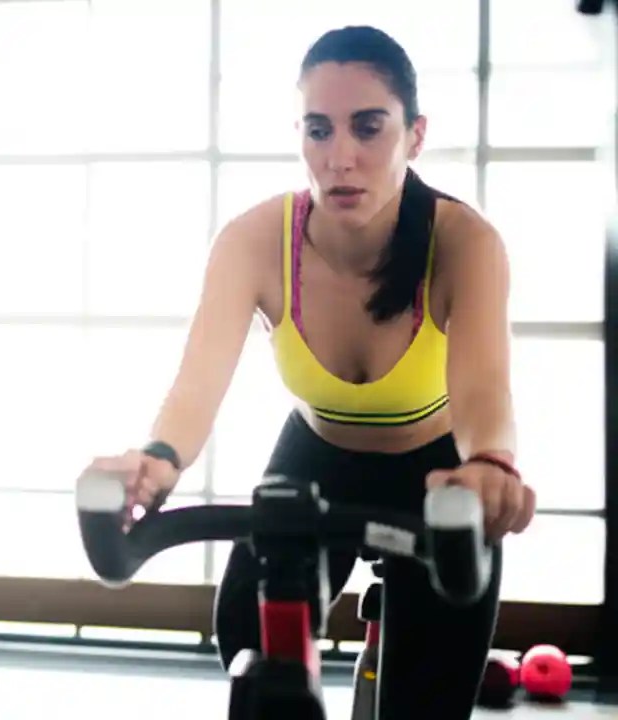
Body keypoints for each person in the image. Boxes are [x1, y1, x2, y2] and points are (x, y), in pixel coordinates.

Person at [86, 25, 537, 719]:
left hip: (441, 470)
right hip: (316, 455)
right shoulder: (255, 240)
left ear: (415, 136)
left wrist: (492, 464)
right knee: (247, 641)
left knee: (430, 697)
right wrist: (157, 462)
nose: (341, 158)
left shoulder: (464, 242)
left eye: (368, 128)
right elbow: (196, 384)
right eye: (319, 130)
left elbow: (483, 387)